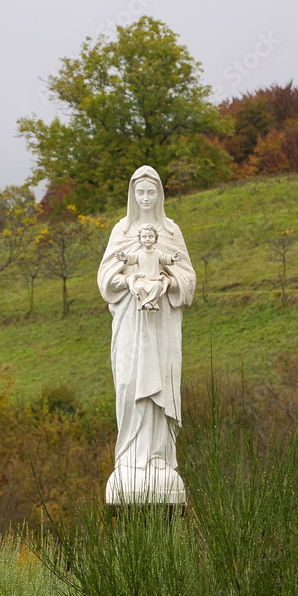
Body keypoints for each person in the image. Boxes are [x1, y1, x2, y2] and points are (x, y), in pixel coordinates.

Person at [97, 166, 196, 505]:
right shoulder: (121, 230)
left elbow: (188, 278)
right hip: (130, 323)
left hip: (162, 327)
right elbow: (105, 277)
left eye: (150, 192)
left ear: (159, 194)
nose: (145, 198)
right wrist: (130, 282)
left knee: (160, 391)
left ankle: (157, 458)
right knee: (128, 384)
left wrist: (166, 283)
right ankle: (128, 459)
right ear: (132, 195)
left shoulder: (171, 231)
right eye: (139, 192)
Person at [113, 224, 185, 311]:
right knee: (139, 288)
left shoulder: (157, 253)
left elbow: (165, 259)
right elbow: (131, 259)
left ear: (155, 239)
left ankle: (147, 303)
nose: (147, 239)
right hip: (142, 280)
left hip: (154, 280)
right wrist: (125, 258)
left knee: (158, 286)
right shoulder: (138, 253)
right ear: (140, 239)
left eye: (150, 236)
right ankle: (149, 303)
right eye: (144, 237)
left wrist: (172, 258)